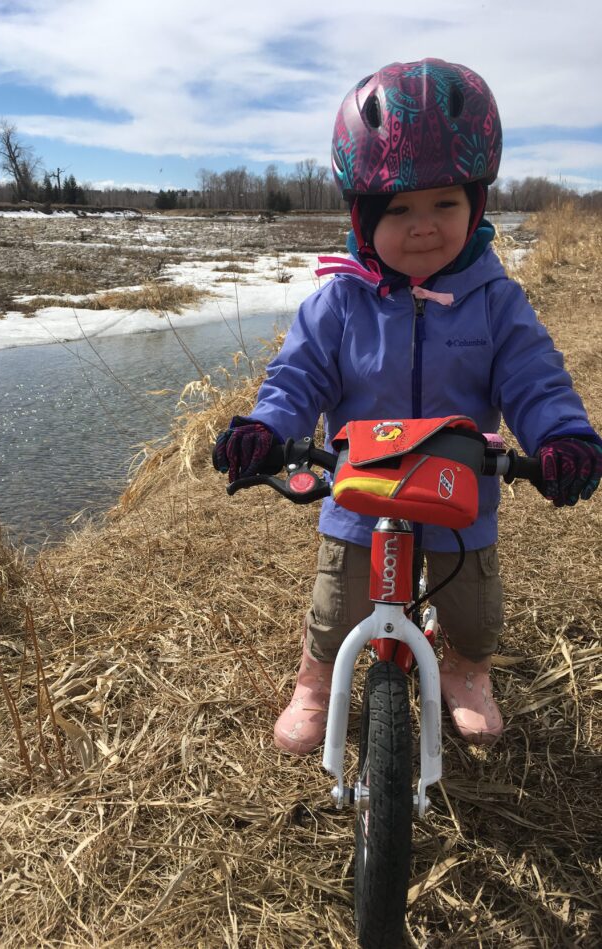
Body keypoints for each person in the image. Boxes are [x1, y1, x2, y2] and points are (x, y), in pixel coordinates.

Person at [214, 59, 602, 751]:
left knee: (476, 610)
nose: (423, 228)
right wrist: (268, 427)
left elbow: (535, 378)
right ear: (363, 218)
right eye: (398, 210)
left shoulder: (495, 301)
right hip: (360, 488)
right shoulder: (339, 301)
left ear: (476, 206)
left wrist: (562, 436)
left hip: (463, 489)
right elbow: (296, 375)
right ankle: (314, 678)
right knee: (337, 605)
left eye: (444, 205)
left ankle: (468, 668)